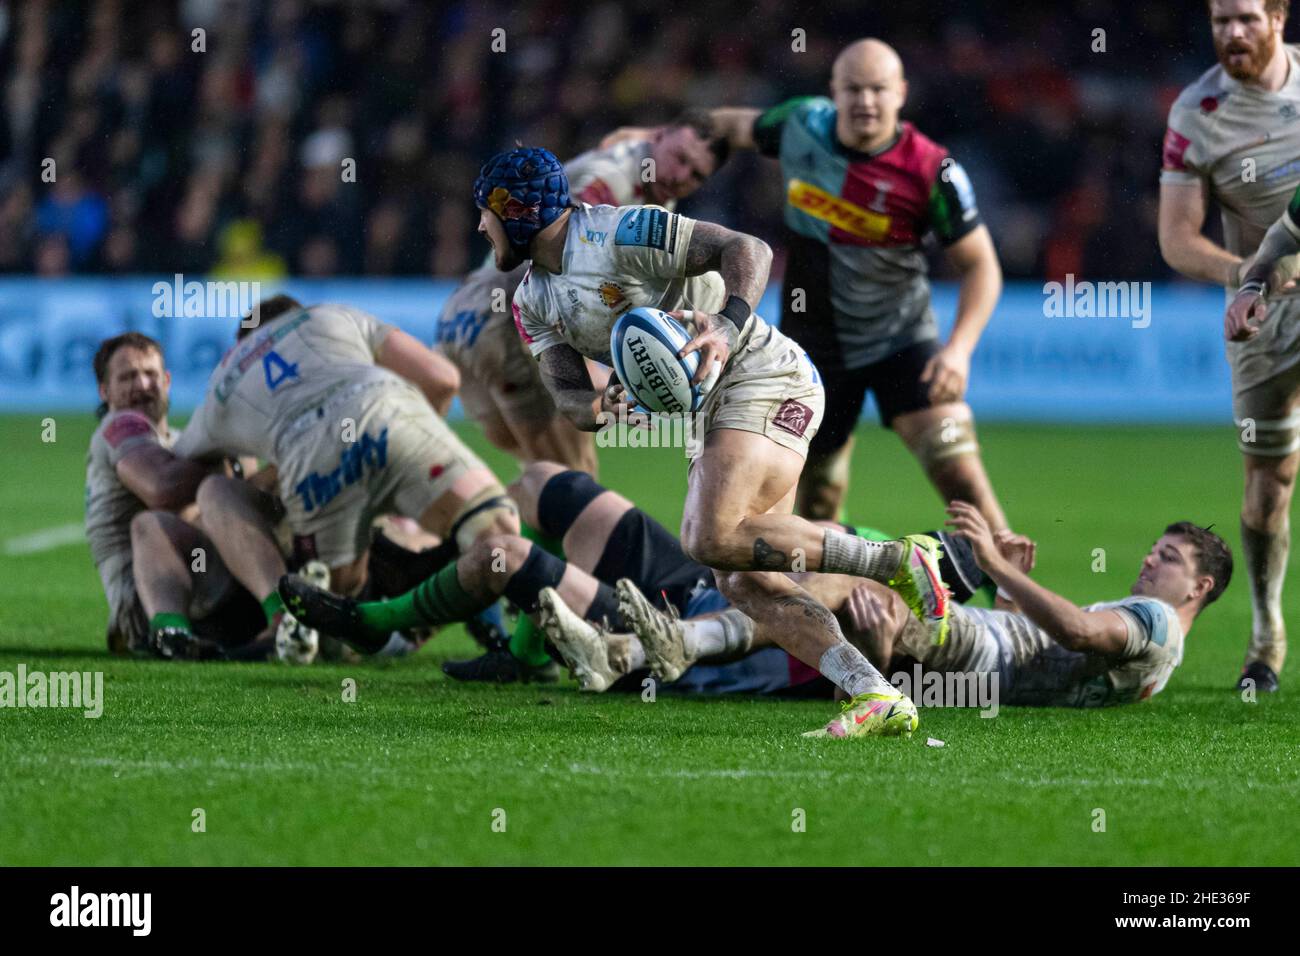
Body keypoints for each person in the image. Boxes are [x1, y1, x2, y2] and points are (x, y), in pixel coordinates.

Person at [685, 38, 1005, 527]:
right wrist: (653, 143)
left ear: (900, 92)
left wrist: (959, 349)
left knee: (960, 473)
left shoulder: (932, 169)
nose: (865, 101)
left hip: (903, 342)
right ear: (833, 91)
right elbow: (726, 127)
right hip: (815, 354)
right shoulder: (799, 126)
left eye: (878, 88)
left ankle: (1012, 598)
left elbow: (982, 265)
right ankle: (833, 600)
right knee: (814, 504)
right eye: (852, 89)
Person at [172, 295, 520, 649]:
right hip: (389, 414)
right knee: (490, 531)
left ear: (241, 345)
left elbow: (165, 480)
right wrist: (411, 453)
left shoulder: (227, 384)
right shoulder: (334, 316)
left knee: (335, 616)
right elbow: (443, 380)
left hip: (311, 475)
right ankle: (504, 634)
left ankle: (294, 620)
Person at [437, 113, 729, 475]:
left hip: (460, 317)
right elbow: (562, 241)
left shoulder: (637, 178)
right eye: (681, 159)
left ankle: (495, 530)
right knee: (574, 484)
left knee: (536, 472)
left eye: (697, 175)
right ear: (657, 137)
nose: (682, 176)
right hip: (502, 316)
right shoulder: (610, 180)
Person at [1159, 0, 1300, 692]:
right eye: (1219, 20)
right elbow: (1177, 237)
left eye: (1246, 18)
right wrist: (1241, 276)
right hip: (1262, 315)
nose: (1231, 34)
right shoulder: (1196, 113)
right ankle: (1268, 633)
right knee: (1268, 487)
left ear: (1279, 17)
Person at [85, 332, 311, 660]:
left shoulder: (178, 444)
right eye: (128, 377)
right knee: (154, 522)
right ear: (105, 392)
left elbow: (241, 507)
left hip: (214, 596)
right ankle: (172, 633)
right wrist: (228, 453)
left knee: (236, 500)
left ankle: (299, 614)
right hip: (146, 607)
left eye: (150, 374)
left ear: (167, 381)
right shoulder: (117, 427)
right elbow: (162, 488)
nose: (142, 385)